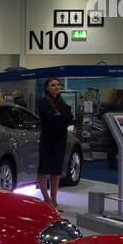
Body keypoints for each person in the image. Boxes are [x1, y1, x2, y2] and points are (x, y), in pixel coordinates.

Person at [37, 78, 74, 211]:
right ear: (47, 88)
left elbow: (70, 118)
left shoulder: (62, 102)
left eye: (58, 85)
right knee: (44, 169)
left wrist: (61, 117)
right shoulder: (43, 102)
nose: (56, 87)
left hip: (60, 138)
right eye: (53, 85)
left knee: (56, 171)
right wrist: (63, 118)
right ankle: (46, 199)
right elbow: (50, 118)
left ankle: (54, 200)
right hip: (48, 139)